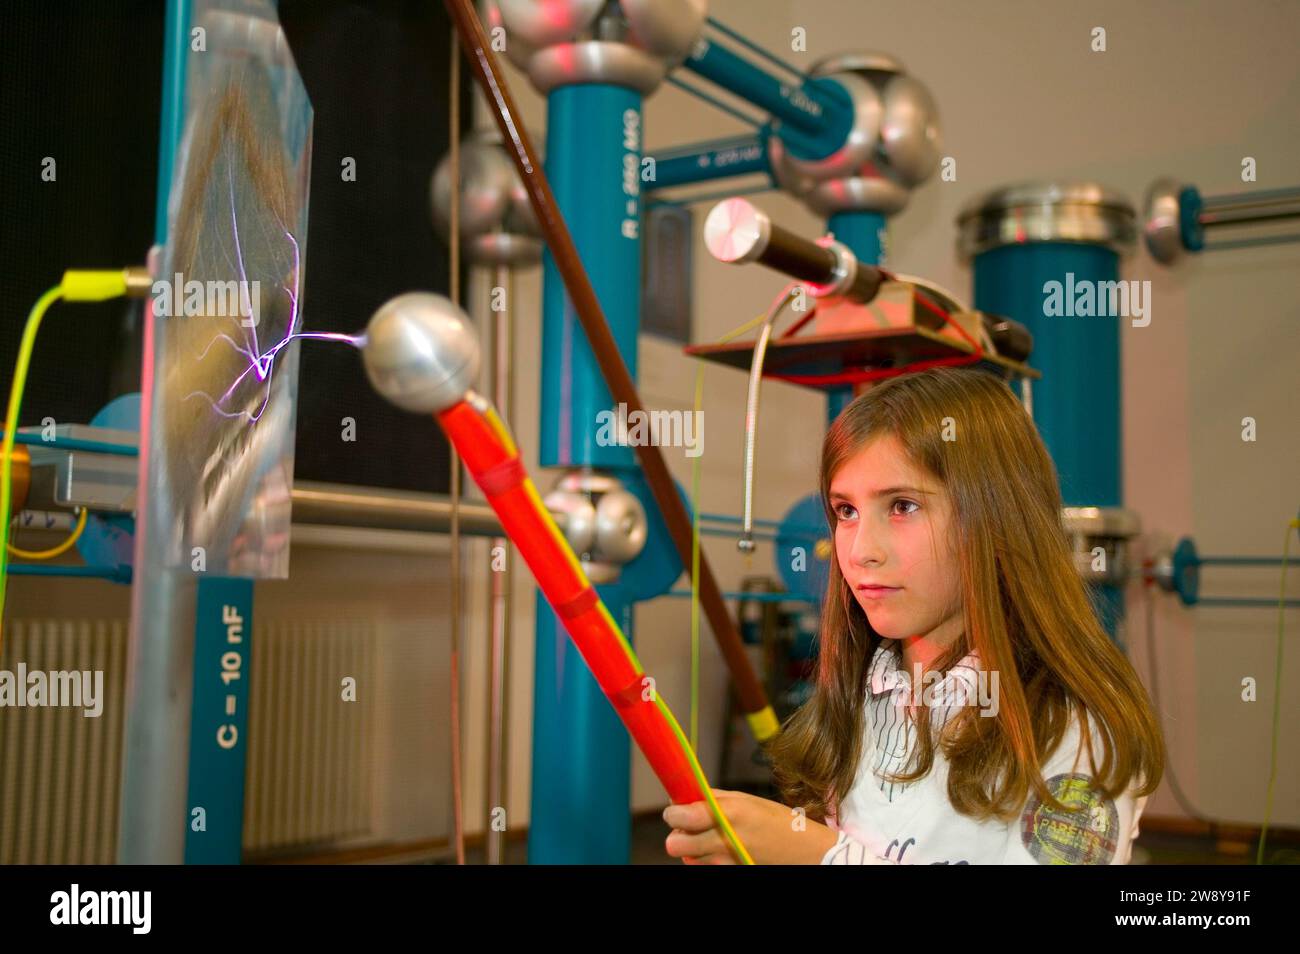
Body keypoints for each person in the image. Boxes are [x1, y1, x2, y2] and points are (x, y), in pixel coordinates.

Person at [663, 366, 1164, 864]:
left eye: (902, 506)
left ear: (995, 518)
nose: (860, 551)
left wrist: (819, 857)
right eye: (845, 511)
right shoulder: (865, 695)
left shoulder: (1073, 728)